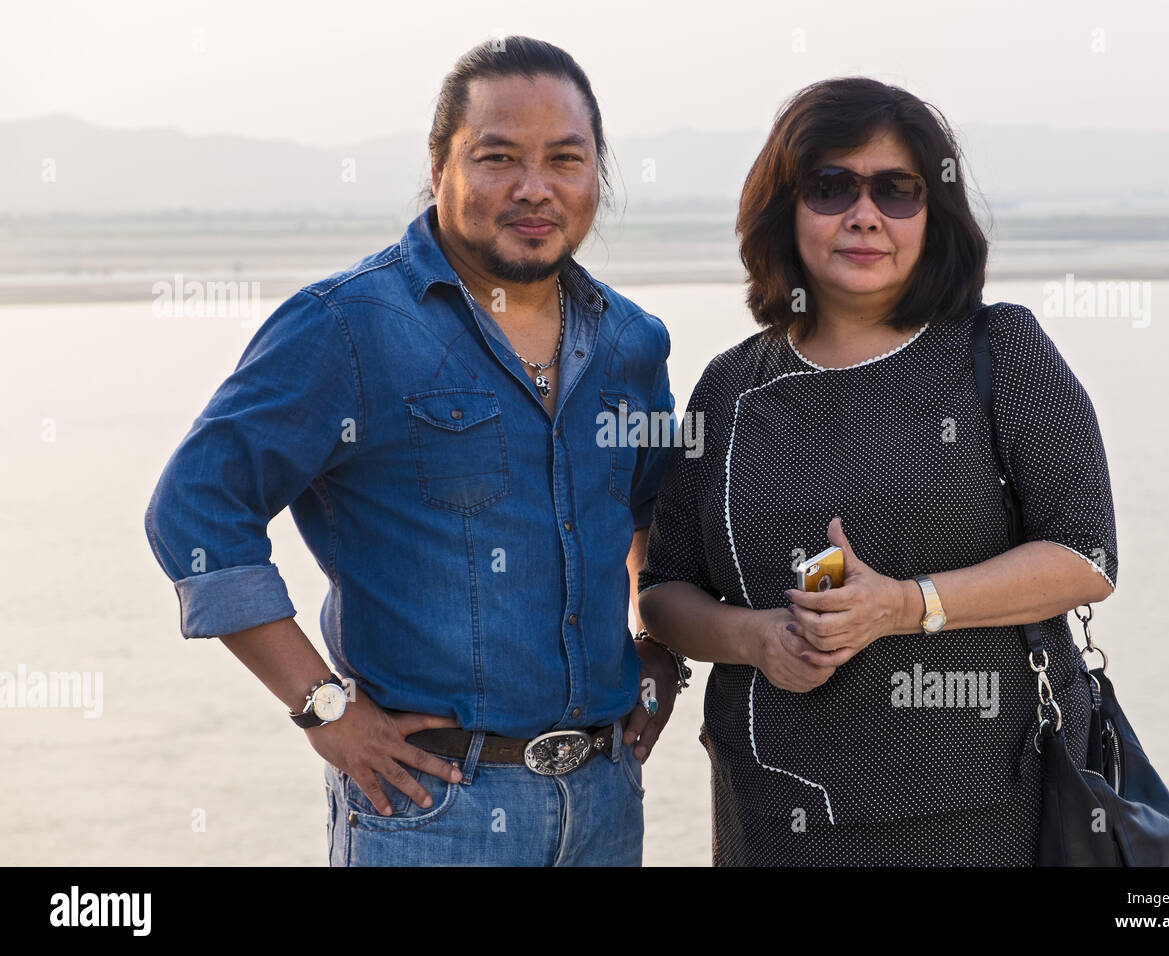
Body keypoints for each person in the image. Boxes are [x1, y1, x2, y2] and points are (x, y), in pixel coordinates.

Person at [144, 36, 685, 867]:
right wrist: (321, 707)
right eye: (497, 157)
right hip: (431, 809)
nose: (534, 188)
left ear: (597, 175)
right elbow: (196, 509)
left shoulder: (631, 343)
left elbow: (655, 509)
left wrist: (658, 651)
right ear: (440, 164)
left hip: (607, 798)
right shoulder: (348, 327)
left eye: (565, 160)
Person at [637, 76, 1118, 866]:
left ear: (934, 214)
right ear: (783, 209)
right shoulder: (728, 388)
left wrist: (902, 604)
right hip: (774, 807)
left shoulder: (1000, 352)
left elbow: (1086, 555)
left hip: (992, 799)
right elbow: (664, 591)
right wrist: (756, 638)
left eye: (897, 191)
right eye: (831, 187)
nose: (864, 215)